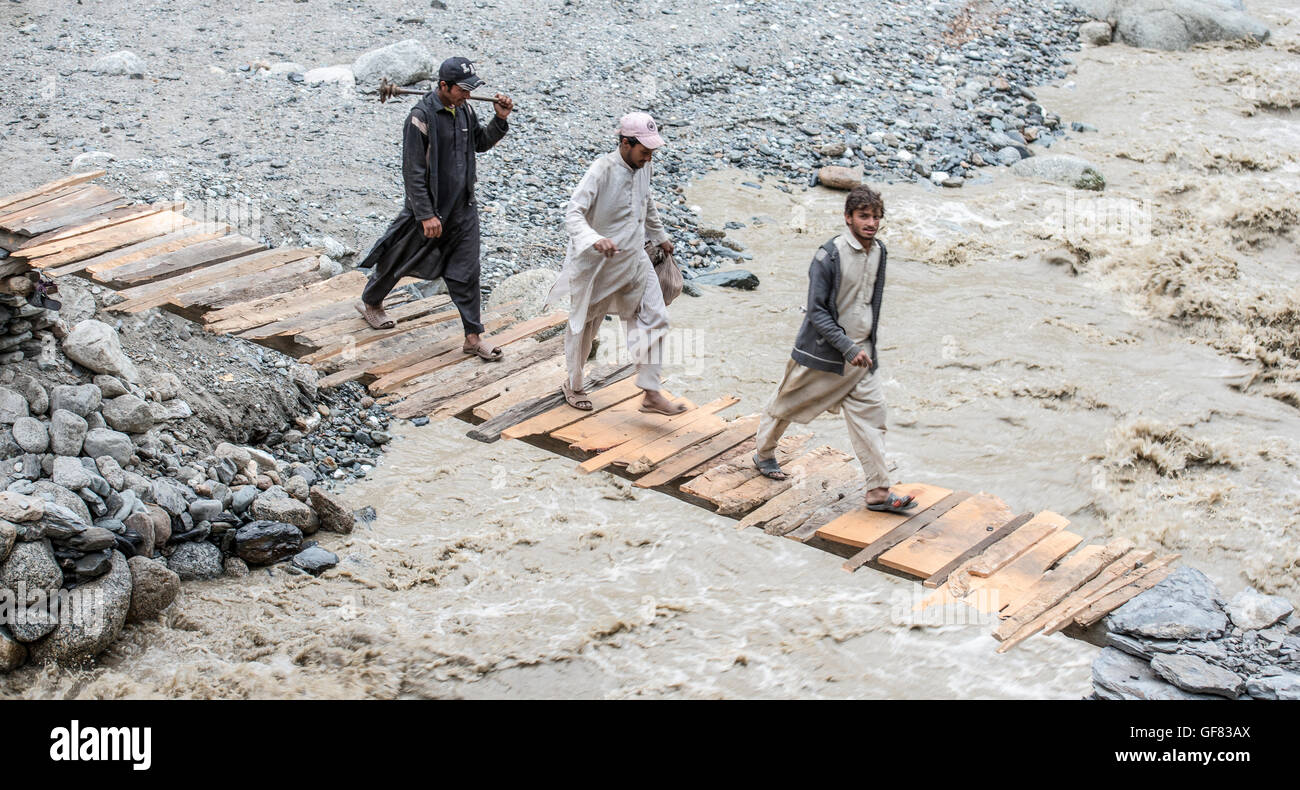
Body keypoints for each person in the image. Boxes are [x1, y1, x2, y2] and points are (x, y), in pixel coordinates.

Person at [752, 184, 916, 513]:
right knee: (786, 404)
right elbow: (816, 311)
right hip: (823, 353)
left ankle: (878, 491)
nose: (871, 222)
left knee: (873, 418)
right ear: (848, 218)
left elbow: (872, 303)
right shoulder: (828, 256)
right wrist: (845, 345)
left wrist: (867, 348)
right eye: (863, 216)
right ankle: (764, 453)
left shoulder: (880, 251)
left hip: (862, 358)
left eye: (875, 216)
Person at [354, 56, 514, 361]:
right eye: (462, 89)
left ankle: (472, 337)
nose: (468, 94)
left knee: (467, 271)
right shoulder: (421, 117)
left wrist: (500, 120)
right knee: (399, 257)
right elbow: (412, 171)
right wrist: (425, 214)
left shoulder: (464, 109)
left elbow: (479, 143)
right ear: (444, 86)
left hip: (463, 209)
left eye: (470, 89)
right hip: (429, 209)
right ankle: (372, 301)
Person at [546, 112, 686, 415]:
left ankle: (651, 392)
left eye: (651, 153)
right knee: (585, 326)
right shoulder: (602, 169)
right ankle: (574, 384)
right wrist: (594, 239)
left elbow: (646, 202)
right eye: (644, 151)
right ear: (625, 143)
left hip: (635, 257)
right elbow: (573, 213)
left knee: (656, 316)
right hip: (598, 264)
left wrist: (660, 237)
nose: (648, 158)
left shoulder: (643, 167)